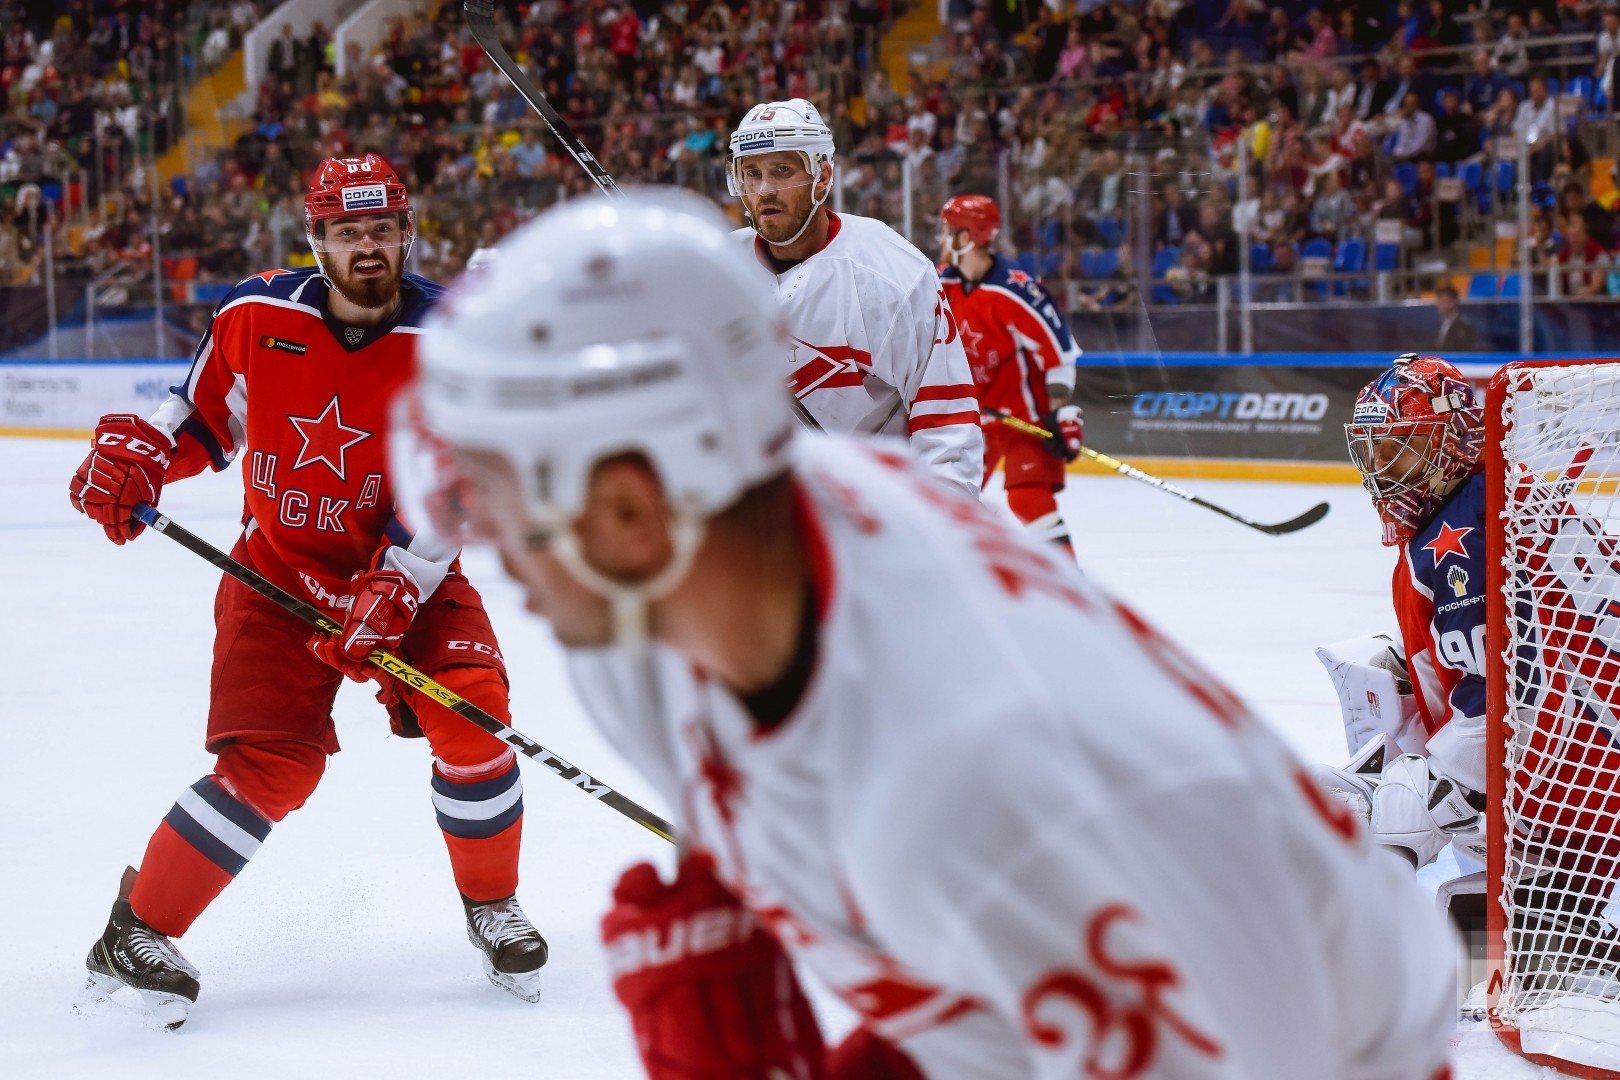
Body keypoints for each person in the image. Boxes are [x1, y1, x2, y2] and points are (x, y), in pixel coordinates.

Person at [400, 189, 1456, 1079]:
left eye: (500, 500)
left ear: (632, 508)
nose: (489, 547)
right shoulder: (672, 588)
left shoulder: (964, 787)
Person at [69, 155, 546, 1028]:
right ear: (316, 240)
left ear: (408, 234)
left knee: (474, 718)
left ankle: (493, 905)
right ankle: (136, 930)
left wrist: (397, 585)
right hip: (276, 575)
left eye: (382, 228)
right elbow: (203, 416)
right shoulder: (256, 313)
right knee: (269, 766)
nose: (367, 246)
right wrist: (146, 461)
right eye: (347, 231)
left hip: (409, 575)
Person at [726, 97, 983, 498]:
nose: (765, 190)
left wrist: (943, 516)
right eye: (752, 173)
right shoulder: (719, 272)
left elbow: (946, 419)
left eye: (782, 170)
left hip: (877, 509)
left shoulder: (892, 273)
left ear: (823, 176)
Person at [937, 194, 1084, 553]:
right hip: (973, 421)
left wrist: (1059, 411)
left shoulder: (1015, 289)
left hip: (1024, 418)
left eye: (947, 230)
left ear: (966, 237)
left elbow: (1059, 353)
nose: (941, 238)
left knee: (1028, 498)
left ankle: (1067, 577)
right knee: (946, 504)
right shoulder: (940, 284)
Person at [1432, 283, 1479, 351]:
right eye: (1439, 301)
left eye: (1443, 301)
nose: (1439, 304)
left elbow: (1465, 350)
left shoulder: (1463, 326)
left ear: (1453, 302)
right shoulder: (1440, 323)